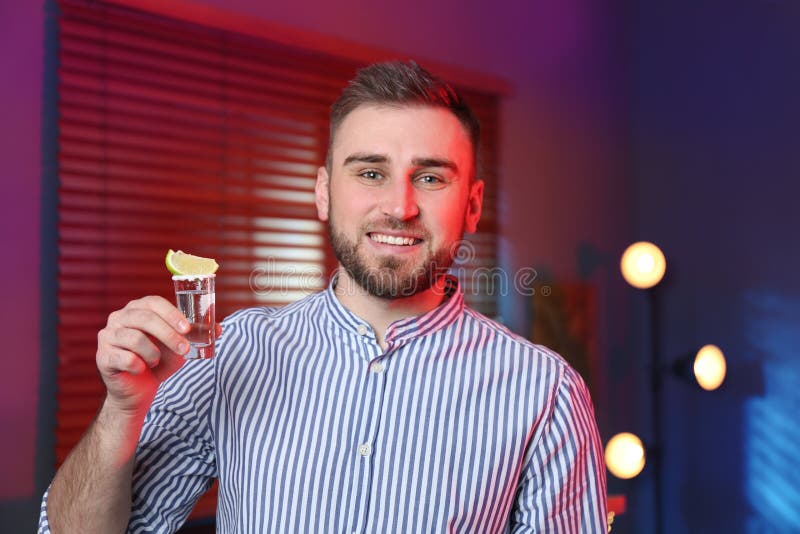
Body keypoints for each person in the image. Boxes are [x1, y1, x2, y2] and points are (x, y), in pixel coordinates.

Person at [39, 61, 607, 533]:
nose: (400, 206)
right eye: (370, 173)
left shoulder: (546, 393)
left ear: (474, 205)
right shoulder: (231, 353)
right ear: (323, 192)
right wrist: (122, 411)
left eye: (431, 178)